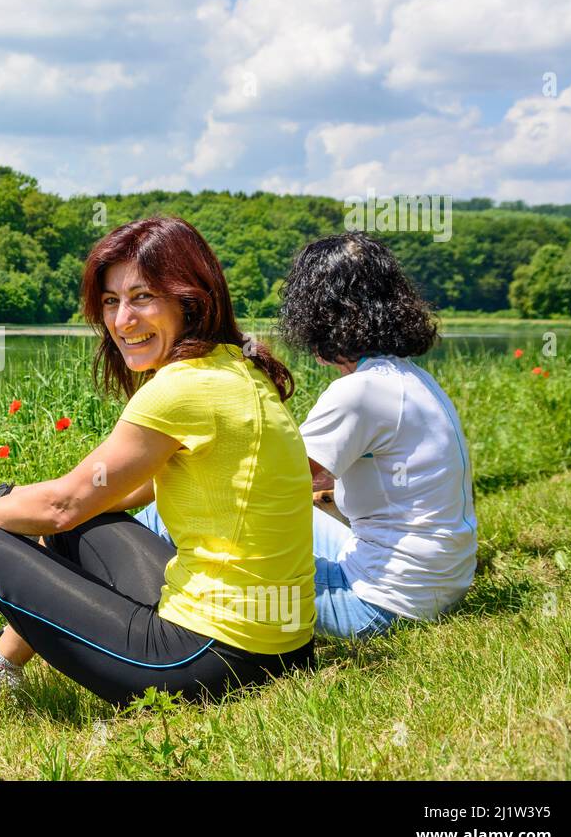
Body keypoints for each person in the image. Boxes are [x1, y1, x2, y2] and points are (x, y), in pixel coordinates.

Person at [0, 216, 317, 745]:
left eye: (142, 297)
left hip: (208, 662)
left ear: (190, 300)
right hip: (280, 647)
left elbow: (62, 505)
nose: (123, 320)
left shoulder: (181, 389)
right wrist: (8, 502)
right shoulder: (238, 369)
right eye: (112, 302)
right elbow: (107, 496)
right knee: (76, 523)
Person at [140, 233, 478, 640]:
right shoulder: (415, 381)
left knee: (165, 514)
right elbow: (315, 483)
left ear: (318, 315)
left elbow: (269, 487)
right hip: (438, 587)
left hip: (377, 606)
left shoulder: (359, 392)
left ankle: (157, 629)